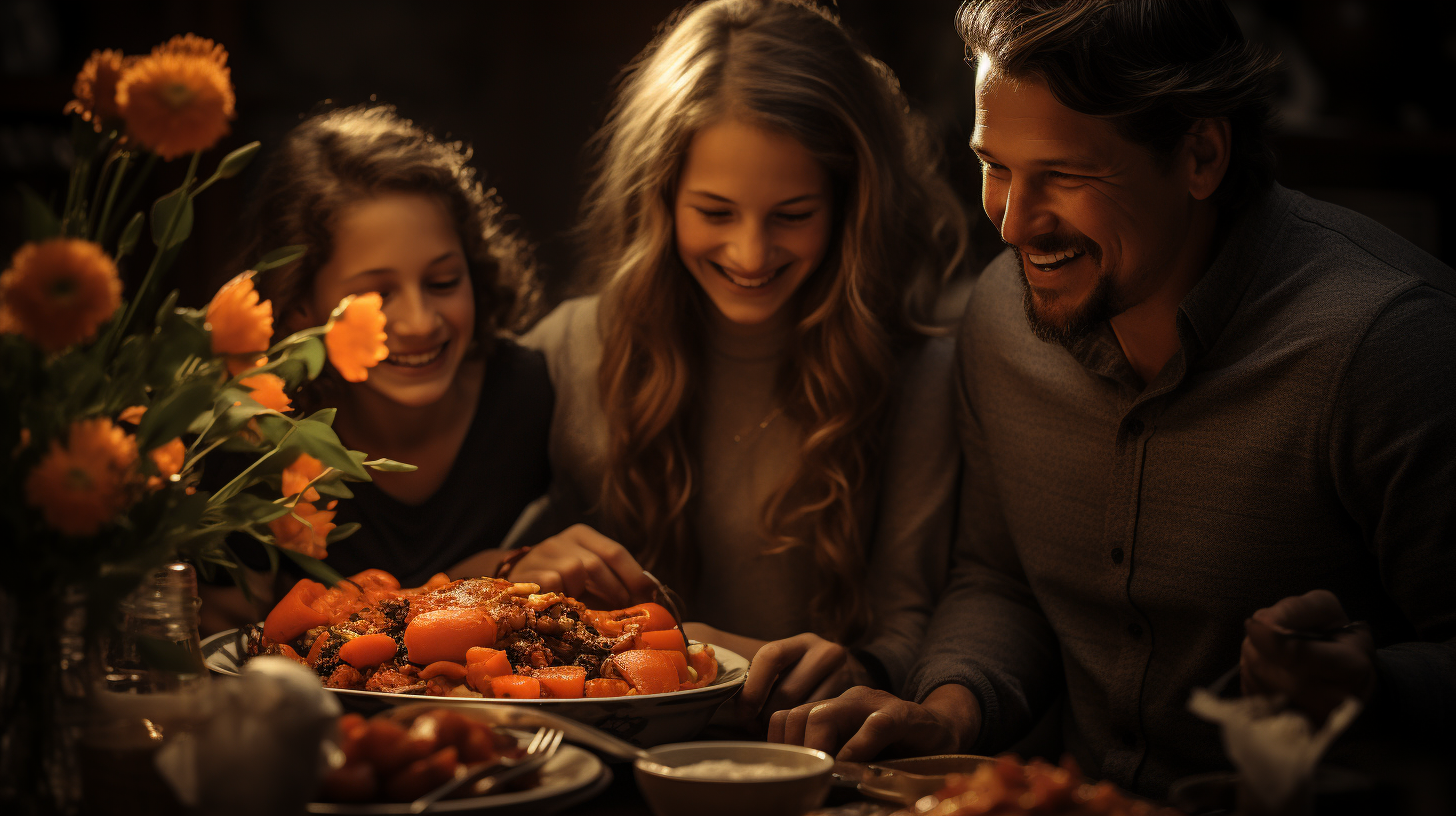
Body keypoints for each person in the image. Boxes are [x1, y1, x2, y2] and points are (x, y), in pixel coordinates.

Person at [768, 0, 1456, 800]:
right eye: (995, 167)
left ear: (1201, 154)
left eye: (1063, 175)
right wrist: (950, 712)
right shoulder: (1001, 315)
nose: (1014, 224)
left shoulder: (1390, 347)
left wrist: (1371, 685)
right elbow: (1000, 579)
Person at [501, 0, 971, 721]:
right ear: (660, 199)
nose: (751, 254)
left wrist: (856, 668)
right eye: (715, 213)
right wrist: (517, 576)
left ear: (852, 205)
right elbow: (454, 575)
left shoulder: (919, 372)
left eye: (792, 214)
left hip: (804, 753)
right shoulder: (570, 347)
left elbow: (915, 625)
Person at [199, 104, 552, 633]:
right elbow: (229, 645)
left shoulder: (527, 397)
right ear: (299, 307)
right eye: (375, 295)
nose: (418, 321)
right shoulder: (256, 435)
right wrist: (462, 582)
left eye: (443, 282)